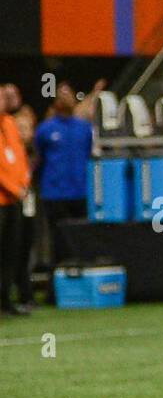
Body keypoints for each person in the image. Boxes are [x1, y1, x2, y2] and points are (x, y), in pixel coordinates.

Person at [33, 81, 95, 268]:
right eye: (61, 95)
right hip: (54, 193)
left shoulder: (84, 128)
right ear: (55, 101)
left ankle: (81, 278)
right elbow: (39, 157)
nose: (65, 98)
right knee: (56, 239)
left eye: (68, 94)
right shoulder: (45, 129)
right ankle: (56, 283)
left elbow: (89, 153)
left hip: (80, 191)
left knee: (80, 237)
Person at [0, 84, 32, 317]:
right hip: (2, 198)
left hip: (15, 200)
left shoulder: (10, 123)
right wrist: (13, 189)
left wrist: (24, 184)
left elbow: (19, 156)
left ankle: (5, 300)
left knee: (12, 251)